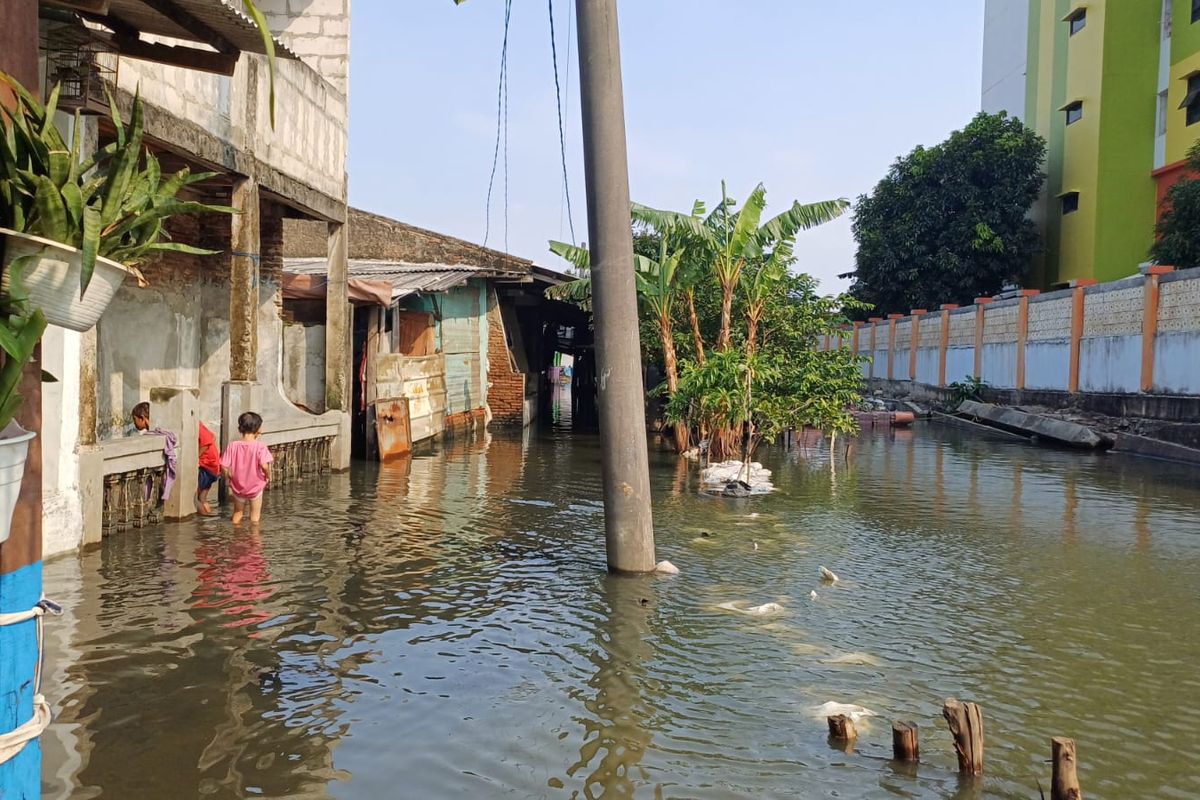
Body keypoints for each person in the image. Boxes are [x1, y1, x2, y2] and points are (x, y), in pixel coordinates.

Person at [220, 412, 273, 525]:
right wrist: (268, 476)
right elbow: (264, 465)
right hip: (255, 486)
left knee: (237, 513)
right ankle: (254, 536)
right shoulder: (260, 446)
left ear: (240, 428)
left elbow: (224, 466)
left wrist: (229, 477)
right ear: (258, 429)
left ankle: (236, 533)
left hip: (238, 486)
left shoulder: (233, 445)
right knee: (255, 516)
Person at [196, 420, 220, 516]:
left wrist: (196, 458)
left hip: (207, 466)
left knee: (199, 498)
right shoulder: (200, 426)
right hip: (211, 467)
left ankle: (205, 517)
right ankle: (207, 517)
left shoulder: (198, 427)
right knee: (202, 498)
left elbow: (207, 442)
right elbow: (212, 438)